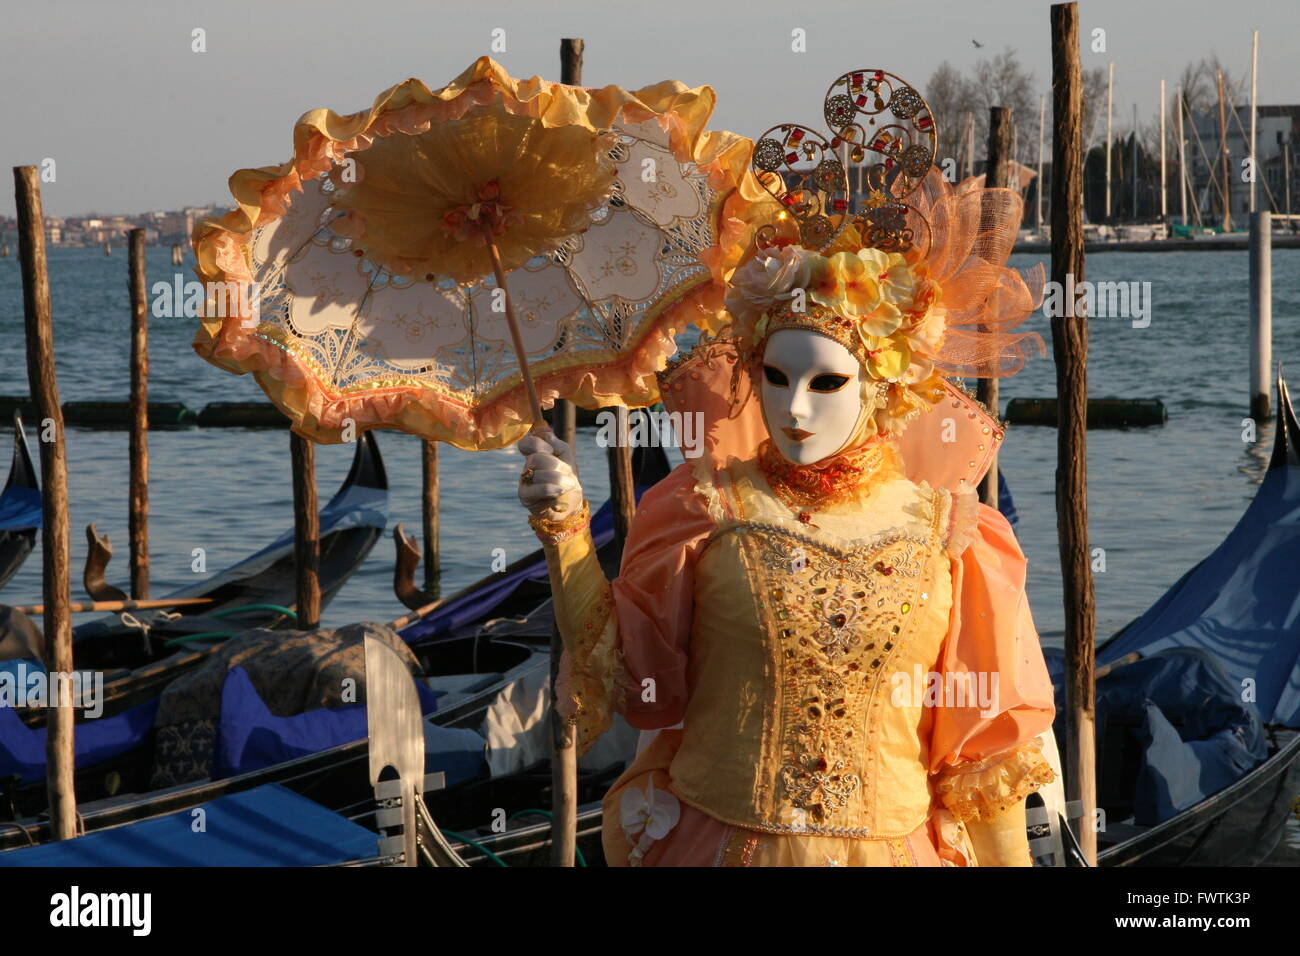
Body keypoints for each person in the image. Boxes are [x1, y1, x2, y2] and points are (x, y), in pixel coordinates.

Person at [515, 79, 1055, 866]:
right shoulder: (703, 510)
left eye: (826, 382)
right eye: (775, 376)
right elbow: (624, 669)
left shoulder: (953, 537)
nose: (794, 407)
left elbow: (983, 759)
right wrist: (563, 526)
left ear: (881, 389)